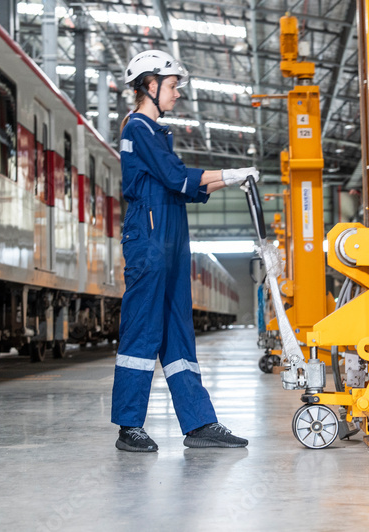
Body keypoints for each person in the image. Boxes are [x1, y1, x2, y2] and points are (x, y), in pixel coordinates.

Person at [112, 50, 256, 452]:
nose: (177, 94)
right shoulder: (139, 127)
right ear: (150, 85)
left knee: (179, 333)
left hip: (171, 238)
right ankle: (129, 426)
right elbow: (176, 177)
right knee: (143, 330)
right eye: (173, 86)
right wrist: (227, 173)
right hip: (149, 239)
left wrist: (230, 180)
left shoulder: (156, 134)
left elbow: (183, 188)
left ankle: (199, 423)